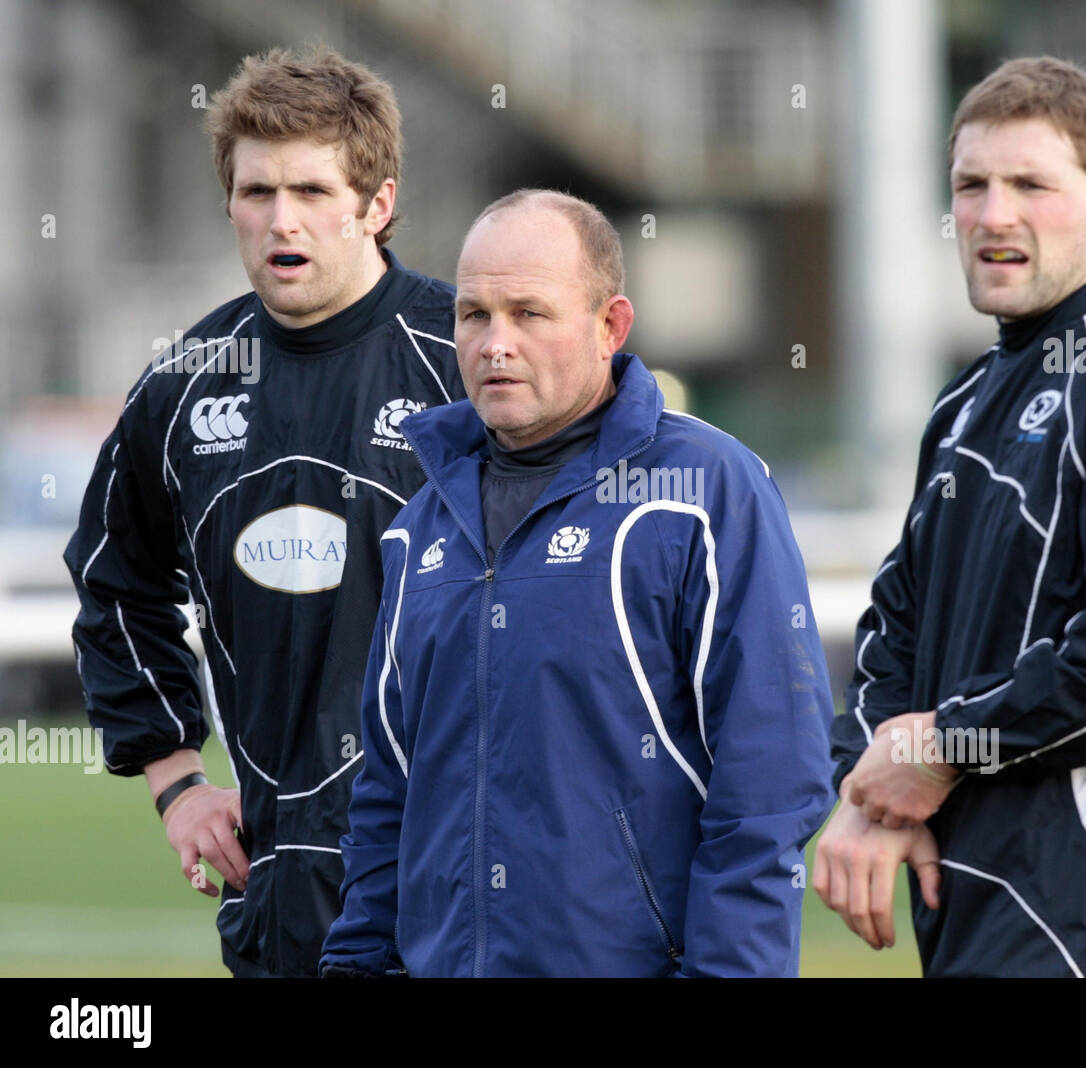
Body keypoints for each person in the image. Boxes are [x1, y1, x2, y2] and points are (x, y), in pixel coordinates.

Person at [814, 56, 1086, 977]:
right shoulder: (970, 397)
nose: (992, 215)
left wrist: (943, 747)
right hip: (982, 910)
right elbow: (897, 625)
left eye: (1032, 184)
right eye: (971, 186)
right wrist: (870, 794)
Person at [319, 189, 835, 977]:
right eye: (473, 315)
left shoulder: (705, 489)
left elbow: (771, 781)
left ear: (610, 326)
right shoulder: (420, 525)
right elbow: (389, 788)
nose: (495, 344)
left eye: (529, 313)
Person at [64, 46, 463, 977]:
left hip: (464, 870)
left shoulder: (467, 359)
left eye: (314, 191)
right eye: (256, 192)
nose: (282, 220)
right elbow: (113, 585)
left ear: (378, 203)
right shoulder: (181, 387)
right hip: (281, 888)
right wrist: (176, 782)